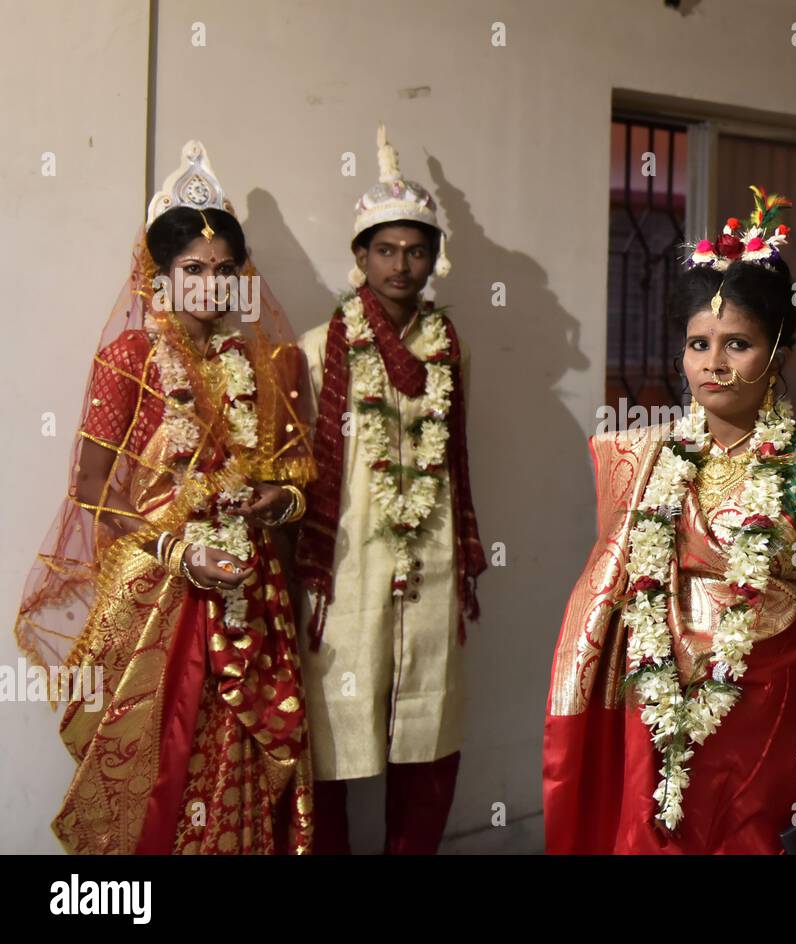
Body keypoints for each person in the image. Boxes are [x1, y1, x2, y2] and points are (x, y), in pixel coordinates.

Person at [13, 141, 317, 854]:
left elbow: (292, 481)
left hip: (249, 584)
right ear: (160, 275)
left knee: (241, 746)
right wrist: (178, 550)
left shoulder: (256, 363)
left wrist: (275, 503)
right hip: (162, 589)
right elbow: (89, 486)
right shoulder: (130, 358)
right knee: (165, 755)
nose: (210, 287)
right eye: (192, 271)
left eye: (223, 271)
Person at [544, 187, 796, 853]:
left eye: (737, 343)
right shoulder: (654, 455)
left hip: (773, 729)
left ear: (779, 353)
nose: (713, 364)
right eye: (698, 343)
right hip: (659, 719)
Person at [296, 125, 486, 854]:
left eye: (416, 250)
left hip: (433, 561)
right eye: (385, 249)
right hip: (344, 566)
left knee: (429, 728)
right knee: (334, 731)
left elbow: (459, 450)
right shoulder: (321, 348)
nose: (401, 265)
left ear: (434, 258)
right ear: (359, 258)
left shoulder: (451, 346)